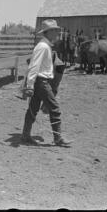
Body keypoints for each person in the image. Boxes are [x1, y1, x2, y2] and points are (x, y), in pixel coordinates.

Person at [21, 19, 73, 147]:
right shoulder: (43, 47)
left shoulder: (45, 45)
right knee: (54, 108)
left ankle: (25, 135)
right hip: (41, 82)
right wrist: (29, 85)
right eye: (55, 31)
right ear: (48, 32)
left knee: (33, 108)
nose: (57, 33)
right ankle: (58, 138)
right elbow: (34, 66)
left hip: (41, 81)